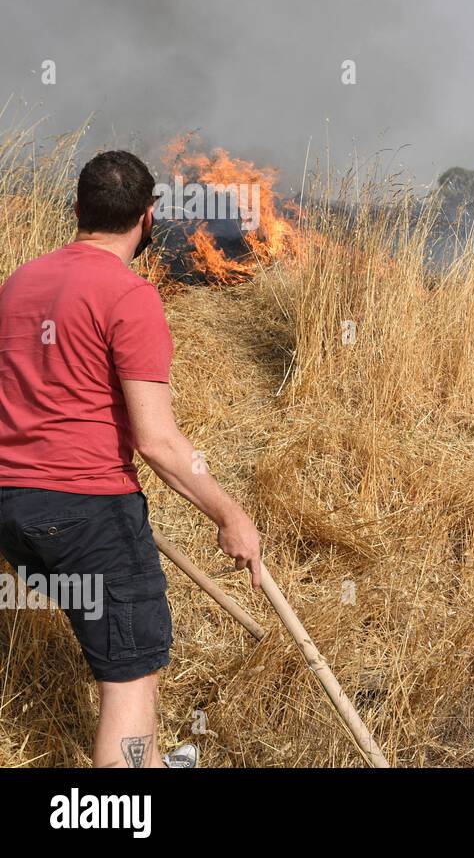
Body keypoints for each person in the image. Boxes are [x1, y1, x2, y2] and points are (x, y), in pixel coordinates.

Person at [0, 150, 262, 768]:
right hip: (88, 510)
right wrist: (230, 515)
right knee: (130, 675)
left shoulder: (17, 285)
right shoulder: (128, 295)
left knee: (111, 643)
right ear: (149, 218)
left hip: (12, 508)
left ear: (75, 211)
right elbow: (158, 441)